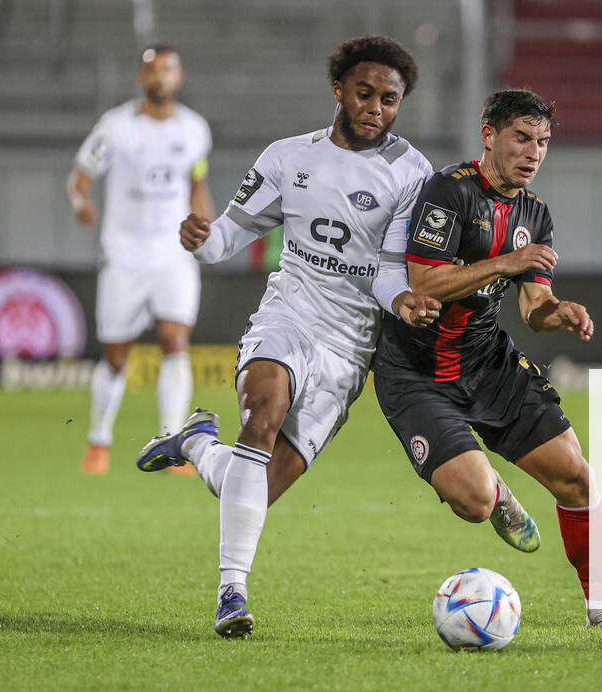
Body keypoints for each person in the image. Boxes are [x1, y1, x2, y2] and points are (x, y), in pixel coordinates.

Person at [134, 36, 441, 639]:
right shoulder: (288, 157)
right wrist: (202, 238)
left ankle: (196, 445)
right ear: (338, 90)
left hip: (350, 347)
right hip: (289, 316)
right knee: (262, 409)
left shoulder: (412, 172)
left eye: (389, 98)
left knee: (253, 487)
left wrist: (402, 299)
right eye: (364, 92)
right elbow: (228, 238)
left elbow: (386, 268)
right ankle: (232, 591)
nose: (375, 106)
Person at [372, 88, 602, 630]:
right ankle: (495, 495)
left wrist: (558, 310)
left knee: (577, 478)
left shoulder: (534, 214)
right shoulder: (447, 193)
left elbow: (534, 308)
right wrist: (507, 261)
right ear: (489, 135)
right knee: (472, 501)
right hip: (416, 375)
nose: (534, 152)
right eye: (522, 138)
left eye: (543, 142)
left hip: (488, 363)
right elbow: (425, 283)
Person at [68, 44, 213, 476]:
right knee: (116, 356)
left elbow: (196, 182)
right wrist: (80, 202)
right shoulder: (115, 127)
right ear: (141, 77)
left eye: (168, 69)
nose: (160, 78)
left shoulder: (194, 129)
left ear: (179, 77)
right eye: (153, 70)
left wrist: (207, 229)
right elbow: (80, 176)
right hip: (124, 255)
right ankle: (99, 442)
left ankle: (172, 443)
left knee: (175, 341)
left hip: (172, 254)